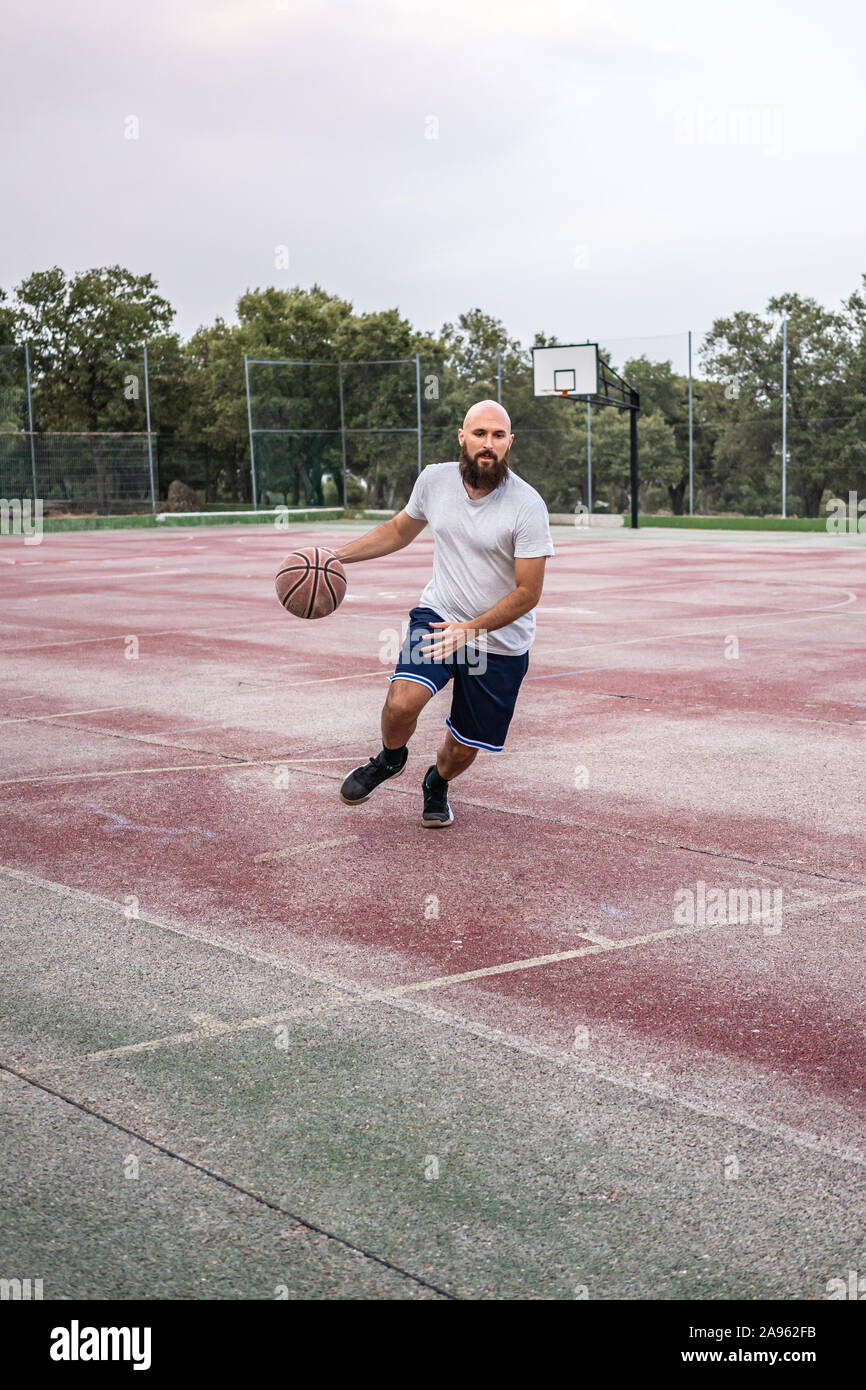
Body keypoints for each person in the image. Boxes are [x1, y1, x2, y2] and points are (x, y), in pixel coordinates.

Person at [334, 399, 554, 827]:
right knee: (401, 704)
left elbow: (529, 593)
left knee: (460, 750)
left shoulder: (528, 506)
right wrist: (335, 557)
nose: (487, 444)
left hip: (497, 642)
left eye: (496, 436)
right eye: (479, 434)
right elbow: (399, 530)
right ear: (462, 437)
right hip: (440, 615)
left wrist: (470, 631)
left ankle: (436, 783)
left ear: (510, 442)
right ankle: (391, 759)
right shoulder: (435, 481)